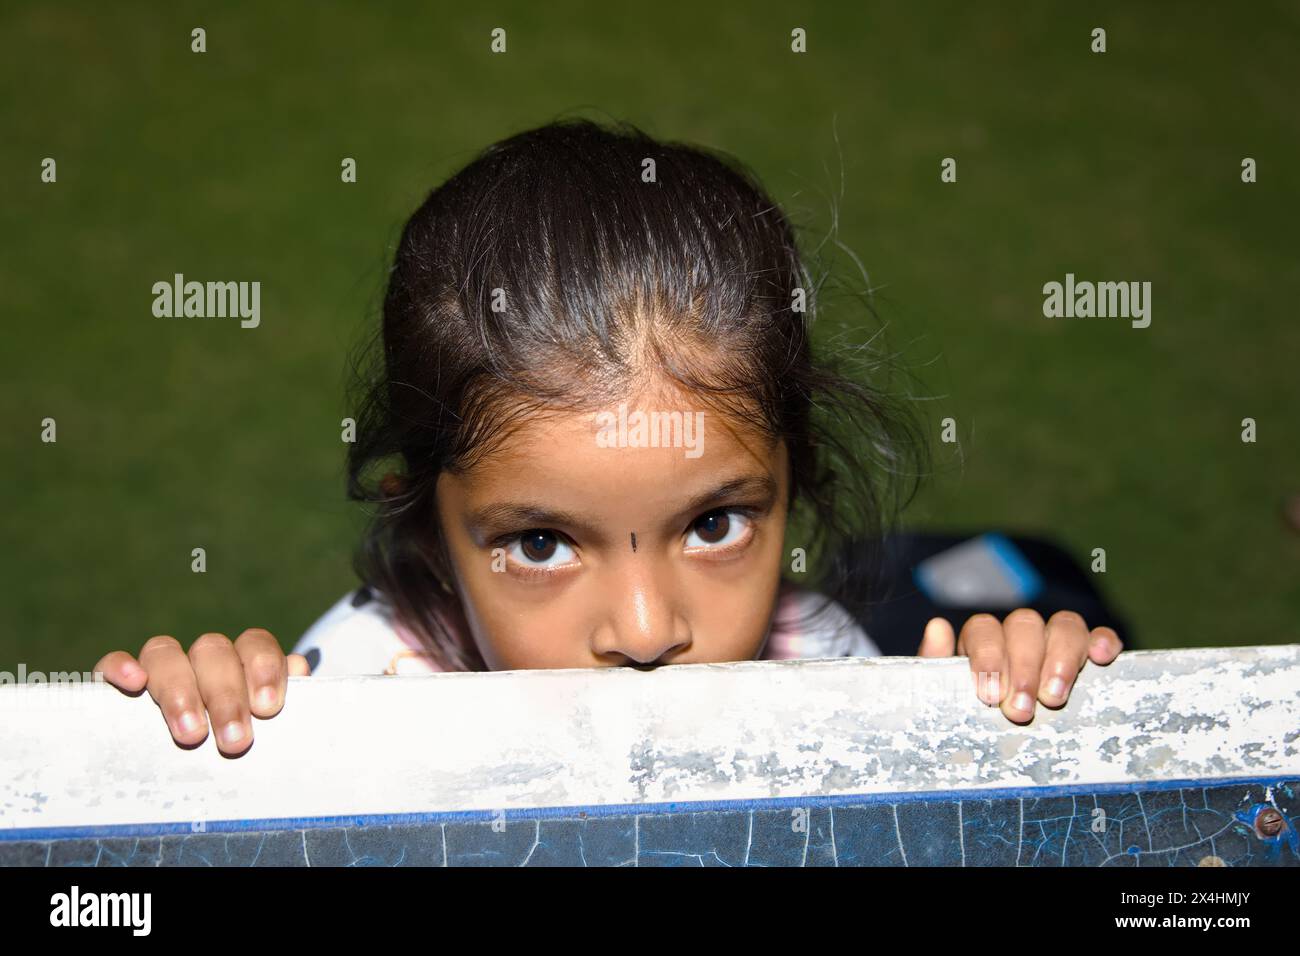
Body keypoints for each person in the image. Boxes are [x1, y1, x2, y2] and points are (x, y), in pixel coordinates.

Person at [94, 119, 1122, 755]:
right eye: (540, 542)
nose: (642, 631)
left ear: (792, 475)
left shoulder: (824, 662)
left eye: (715, 521)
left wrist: (1006, 713)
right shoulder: (351, 697)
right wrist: (212, 723)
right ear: (427, 526)